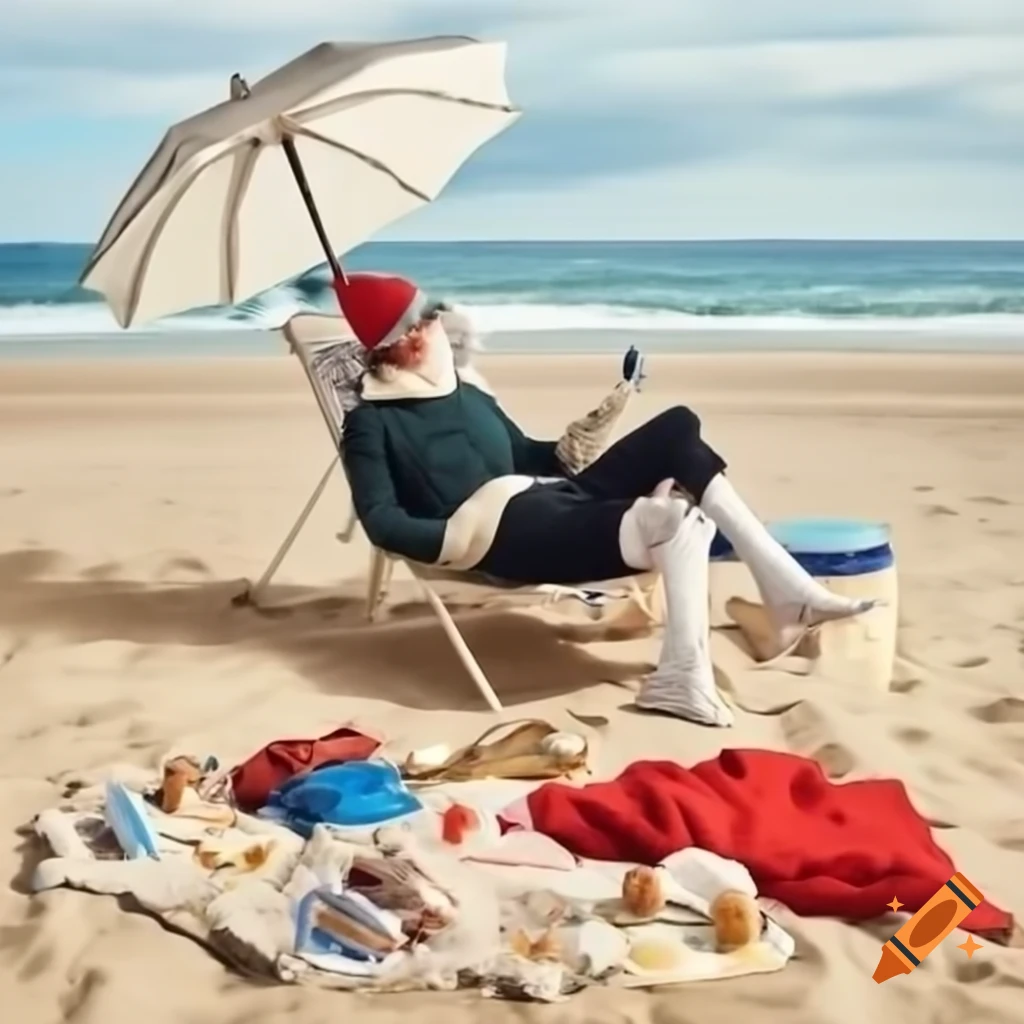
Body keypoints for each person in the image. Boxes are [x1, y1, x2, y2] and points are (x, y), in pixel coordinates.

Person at [337, 272, 875, 727]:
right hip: (500, 536)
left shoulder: (468, 395)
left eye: (426, 318)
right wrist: (455, 539)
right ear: (391, 345)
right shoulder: (371, 423)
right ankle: (691, 670)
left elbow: (528, 456)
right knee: (674, 520)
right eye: (413, 326)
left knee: (678, 427)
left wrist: (589, 428)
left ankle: (786, 592)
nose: (427, 330)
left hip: (543, 500)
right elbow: (381, 520)